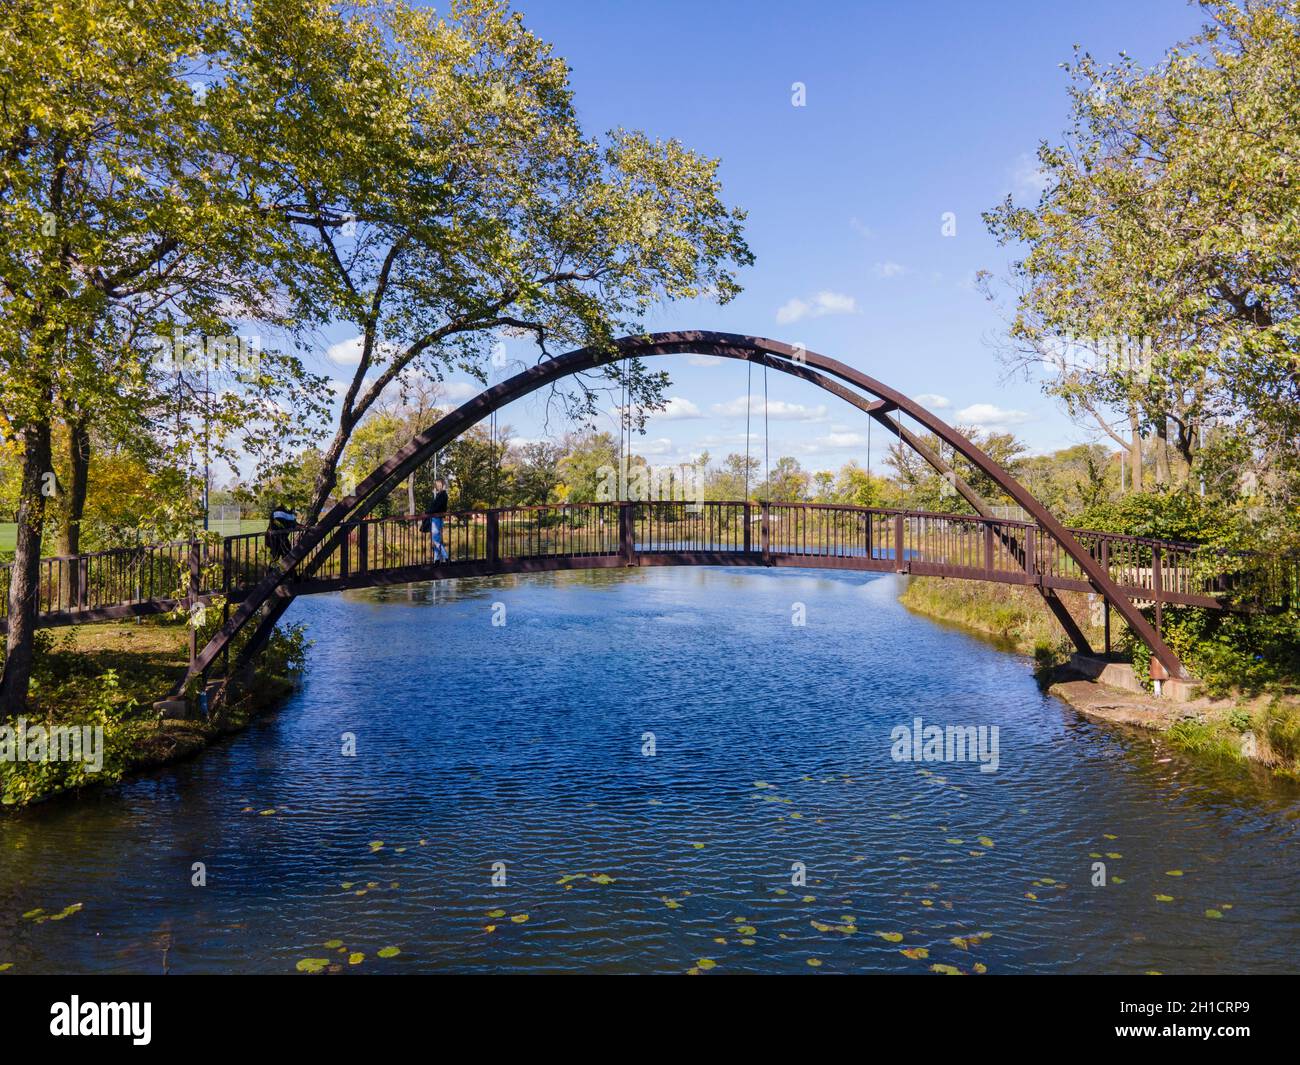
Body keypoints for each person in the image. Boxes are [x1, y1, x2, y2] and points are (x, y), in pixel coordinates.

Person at [428, 479, 449, 562]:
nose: (436, 487)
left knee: (436, 540)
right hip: (438, 518)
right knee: (436, 540)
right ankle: (436, 560)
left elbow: (437, 507)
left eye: (436, 485)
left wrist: (428, 511)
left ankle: (446, 557)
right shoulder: (442, 494)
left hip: (436, 518)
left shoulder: (442, 494)